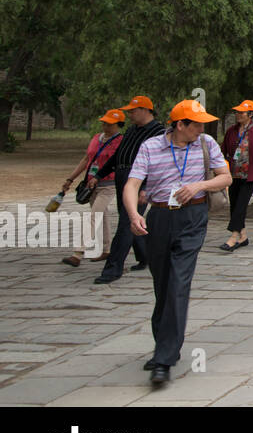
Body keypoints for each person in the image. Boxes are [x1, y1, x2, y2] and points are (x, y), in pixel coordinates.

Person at [123, 99, 231, 386]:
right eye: (196, 124)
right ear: (179, 124)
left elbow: (225, 177)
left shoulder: (206, 143)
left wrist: (199, 185)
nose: (201, 128)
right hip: (158, 216)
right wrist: (134, 214)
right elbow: (132, 184)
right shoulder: (150, 147)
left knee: (178, 283)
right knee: (162, 283)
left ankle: (164, 359)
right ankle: (166, 345)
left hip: (193, 217)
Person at [95, 96, 165, 284]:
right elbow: (119, 155)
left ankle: (112, 268)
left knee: (126, 223)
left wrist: (146, 187)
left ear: (146, 110)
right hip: (122, 178)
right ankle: (146, 257)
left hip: (139, 181)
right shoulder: (132, 130)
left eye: (133, 111)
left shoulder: (159, 132)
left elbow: (158, 162)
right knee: (130, 220)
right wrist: (98, 175)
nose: (129, 114)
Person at [57, 109, 125, 267]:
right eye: (104, 122)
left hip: (108, 185)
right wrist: (70, 179)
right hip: (91, 184)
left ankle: (78, 253)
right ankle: (107, 249)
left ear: (118, 125)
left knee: (94, 216)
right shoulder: (96, 138)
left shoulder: (121, 141)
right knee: (102, 216)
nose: (105, 126)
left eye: (110, 124)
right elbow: (86, 159)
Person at [219, 100, 253, 251]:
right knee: (234, 205)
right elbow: (223, 150)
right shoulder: (231, 130)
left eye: (241, 112)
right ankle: (243, 236)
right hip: (233, 174)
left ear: (250, 114)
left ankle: (233, 237)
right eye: (237, 112)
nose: (238, 115)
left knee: (241, 205)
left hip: (249, 175)